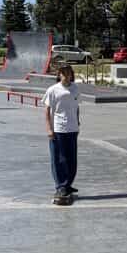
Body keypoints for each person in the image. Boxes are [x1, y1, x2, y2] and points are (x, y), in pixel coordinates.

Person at [45, 63, 81, 205]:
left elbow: (76, 107)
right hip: (58, 129)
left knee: (72, 159)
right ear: (59, 74)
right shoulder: (53, 90)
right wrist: (49, 129)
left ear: (72, 74)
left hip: (72, 129)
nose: (66, 75)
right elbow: (47, 111)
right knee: (59, 159)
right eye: (63, 73)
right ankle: (60, 186)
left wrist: (78, 123)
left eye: (69, 73)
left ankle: (68, 184)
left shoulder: (75, 89)